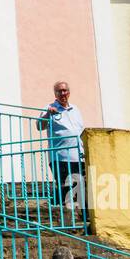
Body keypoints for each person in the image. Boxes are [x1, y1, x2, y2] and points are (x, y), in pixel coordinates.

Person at [42, 81, 85, 217]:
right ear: (55, 93)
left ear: (69, 92)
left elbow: (80, 130)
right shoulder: (49, 108)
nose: (63, 93)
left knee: (80, 186)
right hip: (60, 156)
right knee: (64, 186)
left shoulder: (75, 109)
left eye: (65, 90)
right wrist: (48, 114)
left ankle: (79, 216)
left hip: (78, 155)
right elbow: (39, 125)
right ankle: (58, 213)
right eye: (59, 91)